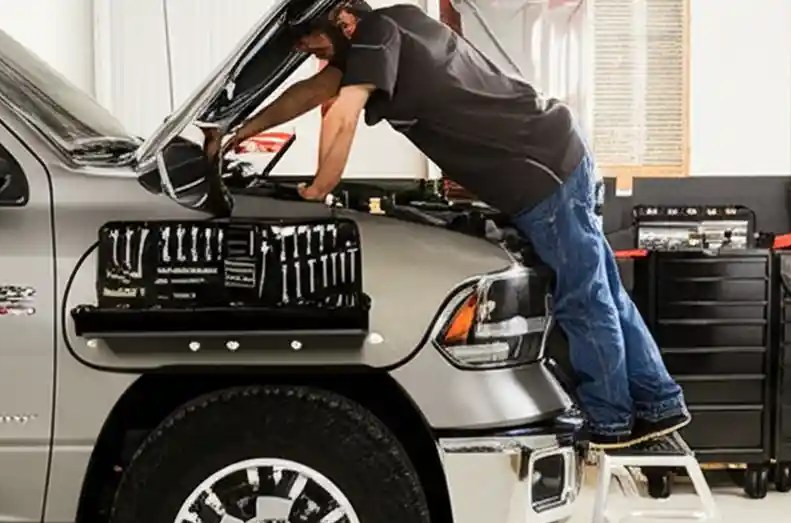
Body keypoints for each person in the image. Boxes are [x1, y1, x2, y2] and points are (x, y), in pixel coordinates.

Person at [224, 1, 689, 449]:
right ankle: (658, 401)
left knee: (583, 298)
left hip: (541, 173)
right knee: (601, 288)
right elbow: (308, 94)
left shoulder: (374, 35)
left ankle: (610, 419)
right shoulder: (394, 28)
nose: (310, 52)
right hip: (557, 152)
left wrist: (319, 188)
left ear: (344, 19)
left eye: (313, 42)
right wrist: (236, 132)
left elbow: (343, 114)